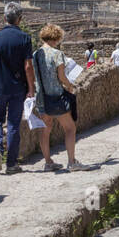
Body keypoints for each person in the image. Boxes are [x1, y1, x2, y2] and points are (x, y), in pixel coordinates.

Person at [0, 2, 36, 173]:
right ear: (20, 19)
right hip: (17, 88)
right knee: (13, 123)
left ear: (4, 18)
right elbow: (28, 66)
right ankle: (11, 163)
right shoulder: (25, 39)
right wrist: (31, 88)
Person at [33, 23, 83, 171]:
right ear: (56, 37)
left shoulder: (35, 55)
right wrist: (70, 85)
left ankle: (48, 162)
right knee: (70, 128)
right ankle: (72, 161)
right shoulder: (57, 54)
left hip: (41, 98)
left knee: (45, 129)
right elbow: (61, 76)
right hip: (56, 97)